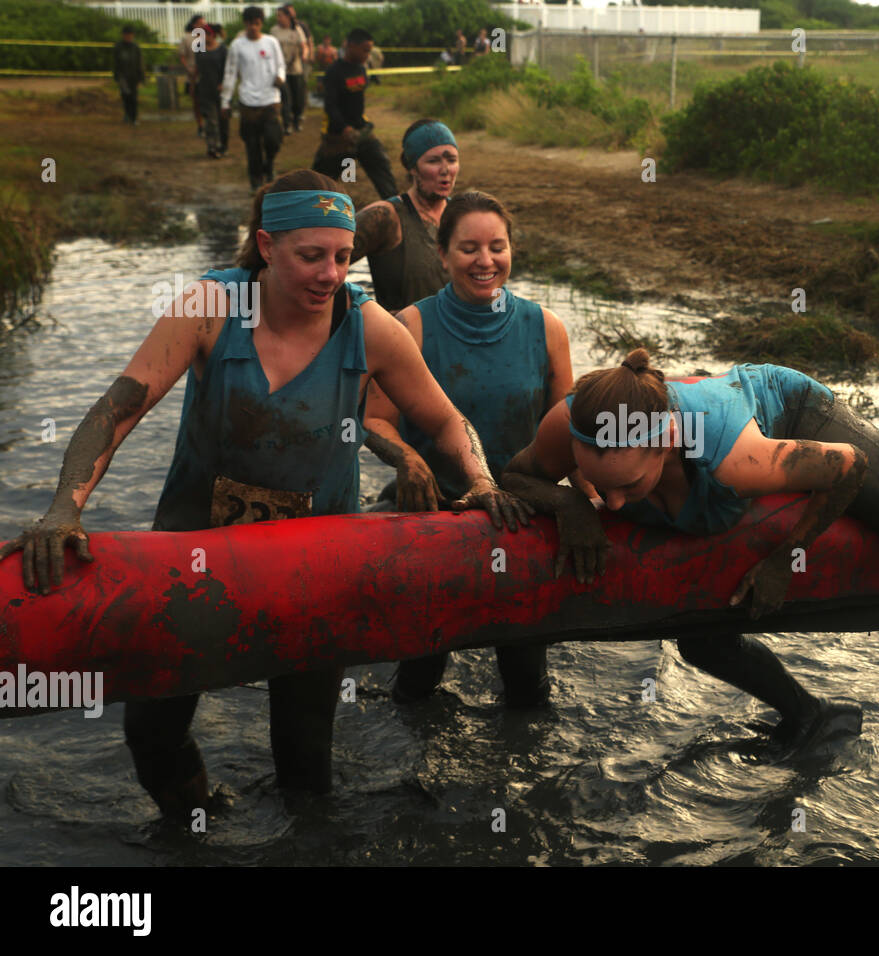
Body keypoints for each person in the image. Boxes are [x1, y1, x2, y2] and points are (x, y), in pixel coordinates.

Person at [0, 169, 529, 817]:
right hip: (192, 558)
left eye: (341, 257)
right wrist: (66, 506)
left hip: (315, 568)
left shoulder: (368, 328)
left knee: (305, 754)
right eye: (310, 257)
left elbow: (446, 421)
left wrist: (479, 481)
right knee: (153, 735)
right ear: (267, 245)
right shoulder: (211, 308)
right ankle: (197, 823)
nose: (330, 274)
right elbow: (120, 408)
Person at [502, 353, 879, 745]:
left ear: (668, 443)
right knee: (701, 634)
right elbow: (516, 475)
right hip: (705, 437)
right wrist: (572, 507)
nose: (610, 502)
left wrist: (785, 560)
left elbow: (847, 465)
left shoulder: (734, 459)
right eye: (597, 484)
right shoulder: (573, 424)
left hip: (791, 411)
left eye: (627, 486)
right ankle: (811, 717)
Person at [363, 191, 586, 705]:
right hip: (434, 515)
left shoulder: (546, 328)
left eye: (497, 246)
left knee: (527, 683)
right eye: (468, 248)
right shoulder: (409, 325)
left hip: (522, 517)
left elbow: (569, 432)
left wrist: (589, 503)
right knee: (418, 678)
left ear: (511, 251)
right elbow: (375, 420)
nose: (485, 261)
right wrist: (409, 459)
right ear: (442, 255)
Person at [350, 119, 459, 315]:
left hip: (458, 341)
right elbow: (322, 266)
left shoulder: (462, 215)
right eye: (433, 161)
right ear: (412, 167)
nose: (445, 170)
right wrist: (360, 317)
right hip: (402, 341)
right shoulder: (385, 217)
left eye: (451, 160)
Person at [312, 28, 398, 201]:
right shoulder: (334, 73)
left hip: (361, 131)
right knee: (321, 182)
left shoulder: (361, 69)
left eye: (370, 51)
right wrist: (344, 128)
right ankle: (309, 212)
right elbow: (330, 106)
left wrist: (360, 126)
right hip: (338, 135)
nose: (368, 55)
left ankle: (396, 208)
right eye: (365, 50)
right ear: (351, 46)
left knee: (381, 165)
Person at [222, 5, 287, 193]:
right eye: (250, 24)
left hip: (270, 99)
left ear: (261, 24)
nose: (253, 27)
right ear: (245, 24)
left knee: (273, 139)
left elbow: (281, 65)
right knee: (252, 144)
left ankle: (269, 164)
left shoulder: (271, 42)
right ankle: (255, 180)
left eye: (257, 24)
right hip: (248, 102)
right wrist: (225, 101)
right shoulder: (237, 45)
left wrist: (280, 76)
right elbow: (230, 74)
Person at [271, 5, 309, 133]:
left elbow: (304, 46)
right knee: (286, 97)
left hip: (295, 68)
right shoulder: (274, 31)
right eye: (277, 16)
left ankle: (297, 120)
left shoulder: (296, 30)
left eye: (280, 15)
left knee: (297, 97)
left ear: (287, 16)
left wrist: (304, 55)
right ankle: (287, 124)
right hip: (281, 70)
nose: (278, 18)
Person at [195, 24, 229, 158]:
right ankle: (212, 146)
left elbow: (228, 69)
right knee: (210, 120)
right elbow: (197, 67)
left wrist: (223, 83)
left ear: (212, 35)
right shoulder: (199, 48)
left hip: (220, 89)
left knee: (222, 120)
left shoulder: (222, 50)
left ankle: (223, 145)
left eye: (206, 34)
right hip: (205, 88)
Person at [178, 13, 207, 138]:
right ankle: (200, 125)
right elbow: (182, 56)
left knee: (206, 101)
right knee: (196, 101)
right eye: (201, 24)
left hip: (206, 74)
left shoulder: (205, 37)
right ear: (194, 25)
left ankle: (208, 124)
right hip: (192, 75)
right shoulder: (187, 38)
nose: (203, 26)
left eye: (204, 24)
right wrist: (188, 69)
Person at [112, 25, 145, 126]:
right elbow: (115, 63)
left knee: (133, 97)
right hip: (123, 76)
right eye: (127, 35)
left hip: (133, 76)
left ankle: (134, 117)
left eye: (130, 35)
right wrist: (117, 76)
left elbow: (140, 63)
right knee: (125, 96)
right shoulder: (118, 47)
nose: (129, 37)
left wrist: (141, 77)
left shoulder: (135, 47)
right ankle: (127, 114)